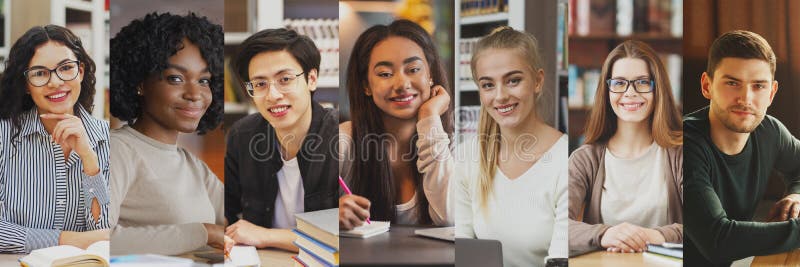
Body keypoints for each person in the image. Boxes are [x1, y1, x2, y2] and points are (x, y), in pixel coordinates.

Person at [108, 12, 225, 255]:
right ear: (140, 83)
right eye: (176, 78)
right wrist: (204, 233)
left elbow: (239, 222)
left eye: (204, 81)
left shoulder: (192, 165)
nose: (194, 94)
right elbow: (98, 239)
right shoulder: (116, 150)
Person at [684, 30, 800, 266]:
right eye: (732, 83)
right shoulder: (683, 145)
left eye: (758, 86)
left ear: (772, 93)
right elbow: (718, 241)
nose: (745, 98)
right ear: (707, 86)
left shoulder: (770, 131)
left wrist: (796, 194)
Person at [454, 26, 567, 267]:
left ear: (538, 81)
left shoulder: (567, 161)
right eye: (488, 85)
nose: (500, 96)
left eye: (513, 80)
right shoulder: (466, 158)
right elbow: (462, 253)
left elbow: (560, 260)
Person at [224, 28, 338, 252]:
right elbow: (226, 209)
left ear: (311, 79)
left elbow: (344, 235)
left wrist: (267, 236)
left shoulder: (339, 137)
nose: (273, 95)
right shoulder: (242, 136)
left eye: (285, 79)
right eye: (260, 84)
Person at [0, 25, 110, 254]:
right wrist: (68, 240)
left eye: (66, 68)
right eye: (40, 73)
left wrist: (89, 159)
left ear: (80, 72)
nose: (55, 82)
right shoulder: (3, 136)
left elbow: (108, 234)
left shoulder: (111, 140)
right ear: (26, 85)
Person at [568, 40, 683, 255]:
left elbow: (704, 225)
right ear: (607, 91)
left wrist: (655, 236)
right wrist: (604, 234)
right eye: (619, 83)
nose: (630, 92)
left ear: (658, 88)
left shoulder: (682, 155)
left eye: (642, 82)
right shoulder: (584, 159)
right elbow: (556, 226)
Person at [338, 19, 454, 229]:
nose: (402, 84)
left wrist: (429, 117)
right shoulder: (343, 142)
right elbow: (304, 215)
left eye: (413, 69)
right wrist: (332, 214)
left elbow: (450, 217)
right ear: (366, 85)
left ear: (430, 75)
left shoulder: (451, 143)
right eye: (385, 74)